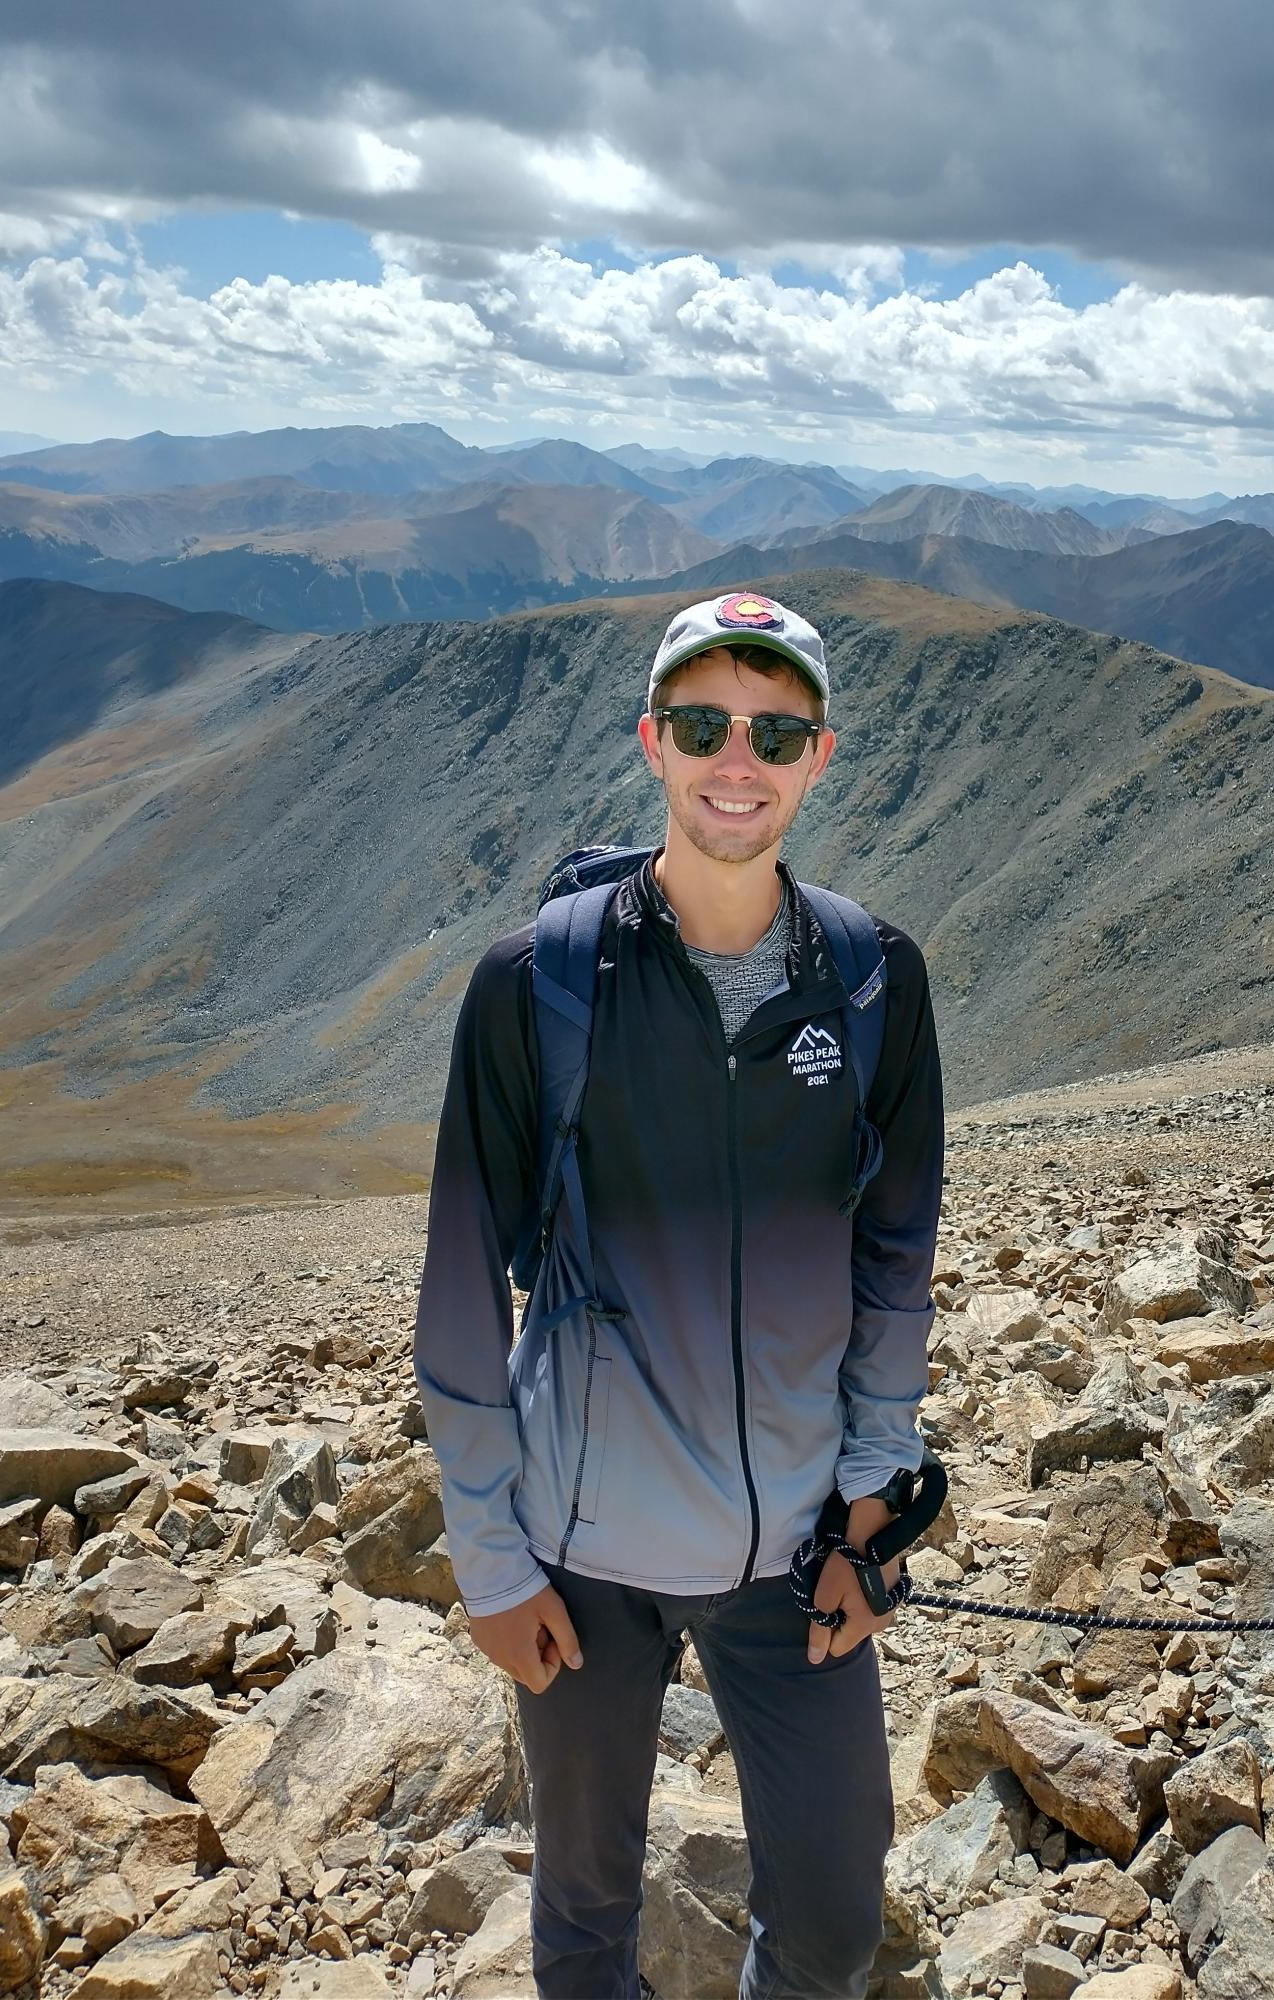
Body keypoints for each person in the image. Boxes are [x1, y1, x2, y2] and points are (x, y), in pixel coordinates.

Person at [412, 589, 946, 2000]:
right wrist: (491, 1561)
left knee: (833, 1915)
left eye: (775, 733)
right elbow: (462, 1287)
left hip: (798, 1556)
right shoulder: (536, 984)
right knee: (585, 1918)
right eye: (704, 723)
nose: (737, 760)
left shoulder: (875, 979)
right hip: (581, 1556)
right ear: (652, 741)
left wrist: (871, 1508)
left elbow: (894, 1260)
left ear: (819, 758)